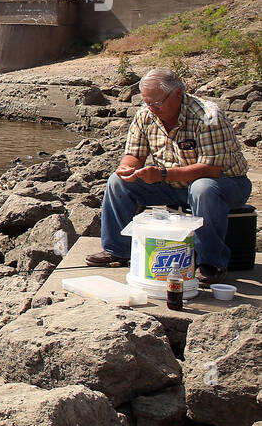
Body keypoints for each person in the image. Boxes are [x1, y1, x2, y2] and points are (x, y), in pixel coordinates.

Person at [85, 67, 252, 281]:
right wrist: (127, 168)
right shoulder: (145, 115)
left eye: (157, 103)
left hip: (226, 184)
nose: (152, 108)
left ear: (178, 94)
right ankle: (117, 250)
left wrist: (162, 175)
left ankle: (211, 262)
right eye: (147, 103)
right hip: (174, 184)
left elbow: (211, 169)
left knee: (202, 188)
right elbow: (133, 154)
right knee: (117, 182)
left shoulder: (208, 116)